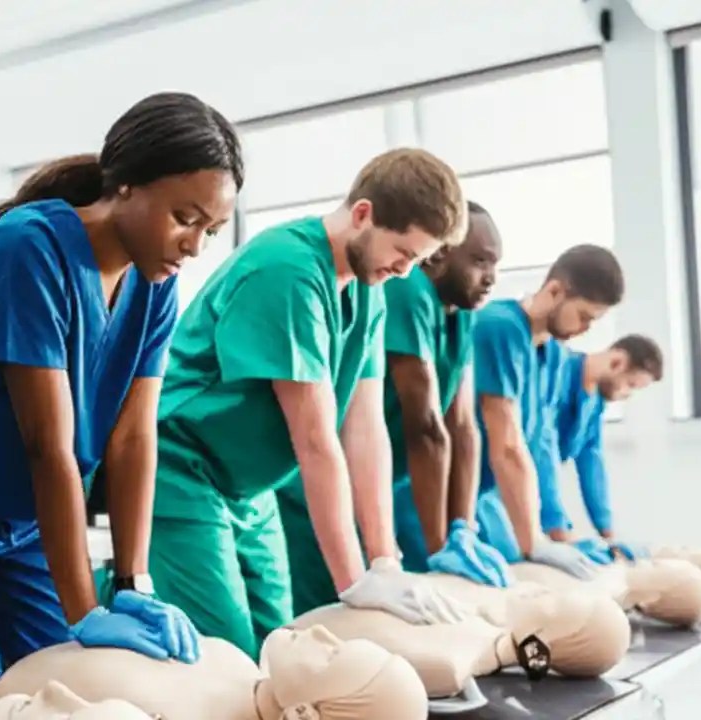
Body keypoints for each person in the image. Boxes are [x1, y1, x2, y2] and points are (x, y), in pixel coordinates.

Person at [0, 92, 244, 698]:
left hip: (25, 522)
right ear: (126, 184)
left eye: (210, 229)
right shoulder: (29, 248)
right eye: (185, 218)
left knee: (68, 689)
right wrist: (84, 610)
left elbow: (133, 437)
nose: (195, 246)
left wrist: (133, 583)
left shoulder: (154, 285)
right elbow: (47, 446)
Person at [149, 148, 472, 660]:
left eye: (417, 260)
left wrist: (385, 561)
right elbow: (316, 438)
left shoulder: (370, 288)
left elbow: (365, 431)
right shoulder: (289, 270)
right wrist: (353, 583)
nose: (406, 271)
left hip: (249, 486)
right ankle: (116, 589)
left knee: (282, 643)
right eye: (403, 252)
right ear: (363, 214)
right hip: (182, 467)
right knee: (228, 653)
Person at [472, 244, 624, 581]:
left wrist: (554, 526)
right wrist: (534, 542)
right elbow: (507, 445)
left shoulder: (554, 354)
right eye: (584, 316)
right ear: (555, 290)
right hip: (449, 496)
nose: (586, 329)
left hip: (490, 498)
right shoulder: (499, 328)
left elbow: (541, 445)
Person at [383, 201, 510, 586]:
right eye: (480, 261)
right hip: (320, 488)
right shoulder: (408, 292)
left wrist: (463, 530)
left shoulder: (462, 312)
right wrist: (439, 549)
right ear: (439, 253)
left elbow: (463, 426)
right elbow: (426, 427)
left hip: (393, 477)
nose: (491, 277)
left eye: (495, 264)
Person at [537, 334, 663, 559]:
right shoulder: (556, 371)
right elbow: (542, 451)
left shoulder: (594, 403)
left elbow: (592, 465)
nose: (627, 395)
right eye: (630, 385)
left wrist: (607, 532)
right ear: (617, 362)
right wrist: (555, 524)